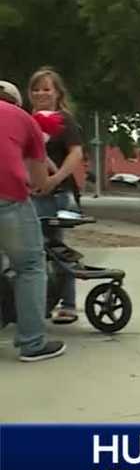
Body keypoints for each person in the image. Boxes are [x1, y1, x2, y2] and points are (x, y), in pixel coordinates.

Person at [0, 91, 63, 360]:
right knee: (29, 267)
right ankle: (32, 343)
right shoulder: (24, 119)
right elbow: (39, 179)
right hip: (8, 198)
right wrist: (47, 183)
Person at [27, 68, 84, 324]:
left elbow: (75, 154)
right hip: (32, 192)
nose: (41, 93)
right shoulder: (26, 120)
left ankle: (68, 303)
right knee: (38, 249)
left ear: (57, 92)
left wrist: (54, 178)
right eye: (36, 89)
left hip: (59, 192)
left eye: (46, 88)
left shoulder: (65, 121)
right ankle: (43, 301)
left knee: (54, 246)